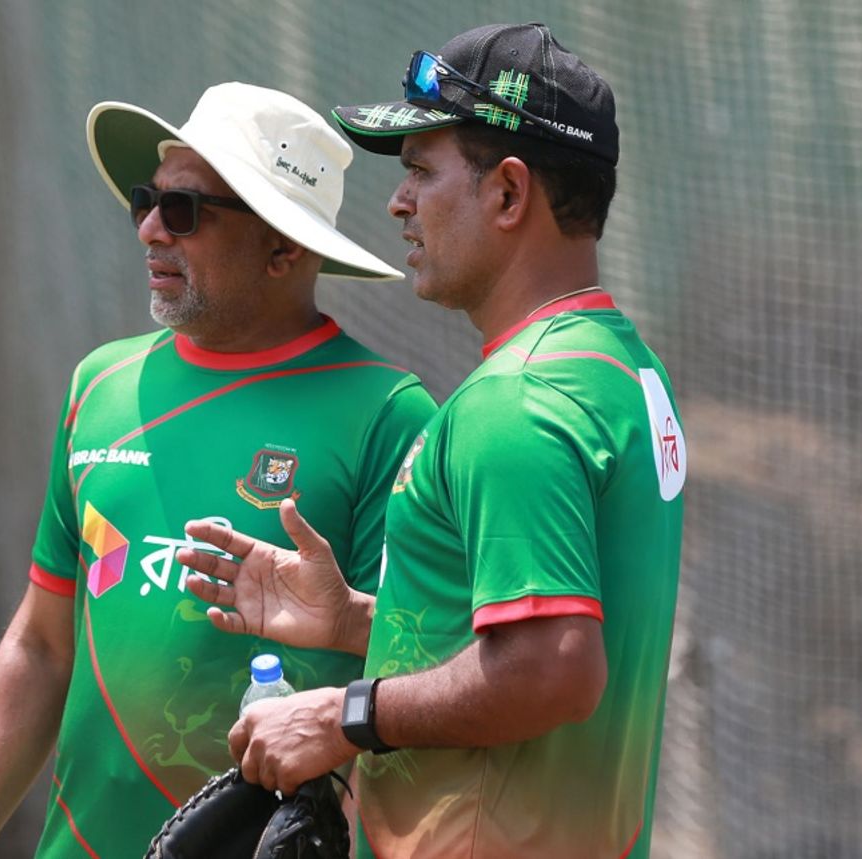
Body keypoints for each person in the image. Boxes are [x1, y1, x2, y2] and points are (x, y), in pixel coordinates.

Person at [178, 23, 687, 859]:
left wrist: (343, 714)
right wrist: (364, 623)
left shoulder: (518, 401)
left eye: (419, 170)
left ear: (509, 194)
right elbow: (544, 630)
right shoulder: (621, 370)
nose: (397, 201)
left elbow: (555, 666)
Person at [0, 82, 437, 858]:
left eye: (186, 210)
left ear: (283, 246)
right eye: (146, 201)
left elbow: (418, 683)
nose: (151, 231)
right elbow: (40, 645)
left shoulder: (388, 415)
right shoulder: (98, 386)